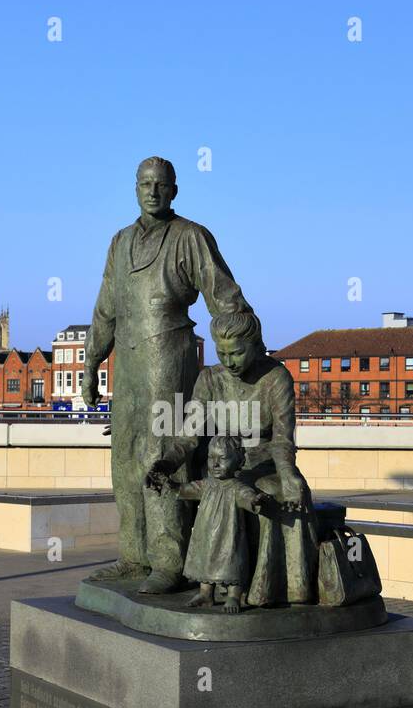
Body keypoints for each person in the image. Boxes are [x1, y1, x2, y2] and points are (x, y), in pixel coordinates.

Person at [83, 156, 256, 594]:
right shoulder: (119, 243)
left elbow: (225, 297)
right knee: (124, 461)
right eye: (145, 184)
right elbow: (107, 310)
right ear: (134, 188)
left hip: (170, 359)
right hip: (130, 369)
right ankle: (133, 555)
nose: (153, 191)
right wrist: (90, 363)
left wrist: (247, 353)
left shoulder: (190, 237)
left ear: (174, 190)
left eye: (161, 184)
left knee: (161, 456)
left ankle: (169, 561)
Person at [146, 313, 319, 607]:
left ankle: (282, 589)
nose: (229, 361)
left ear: (255, 345)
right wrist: (166, 464)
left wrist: (288, 474)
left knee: (280, 491)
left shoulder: (276, 378)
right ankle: (217, 582)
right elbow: (189, 436)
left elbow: (282, 438)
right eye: (222, 353)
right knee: (228, 492)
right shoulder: (210, 379)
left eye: (237, 352)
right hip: (224, 464)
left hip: (265, 461)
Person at [172, 435, 269, 613]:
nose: (215, 464)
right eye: (211, 458)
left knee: (231, 561)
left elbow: (248, 497)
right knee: (204, 560)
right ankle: (205, 594)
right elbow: (187, 489)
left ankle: (234, 595)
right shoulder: (206, 484)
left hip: (228, 535)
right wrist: (169, 485)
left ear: (239, 462)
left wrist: (256, 500)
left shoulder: (237, 487)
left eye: (222, 459)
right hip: (205, 534)